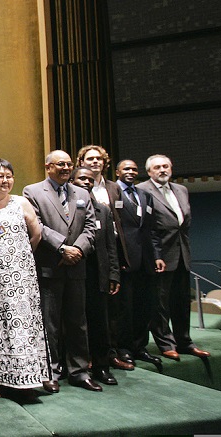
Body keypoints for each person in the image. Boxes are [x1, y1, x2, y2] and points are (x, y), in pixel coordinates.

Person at [23, 150, 98, 393]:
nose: (66, 168)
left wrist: (77, 249)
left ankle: (79, 371)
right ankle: (50, 371)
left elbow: (90, 227)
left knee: (78, 323)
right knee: (50, 324)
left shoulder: (83, 193)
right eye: (60, 164)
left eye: (68, 164)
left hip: (77, 267)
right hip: (49, 267)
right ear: (48, 167)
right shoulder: (33, 191)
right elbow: (37, 226)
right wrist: (62, 248)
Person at [0, 159, 50, 398]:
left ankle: (28, 380)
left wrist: (18, 260)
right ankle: (1, 381)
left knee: (24, 325)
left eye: (9, 176)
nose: (5, 180)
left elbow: (36, 235)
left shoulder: (22, 203)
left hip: (22, 278)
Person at [136, 155, 209, 360]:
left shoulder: (181, 190)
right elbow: (146, 228)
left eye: (165, 166)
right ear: (149, 172)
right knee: (160, 303)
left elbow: (184, 224)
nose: (162, 170)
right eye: (157, 167)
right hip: (159, 256)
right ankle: (166, 344)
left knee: (182, 301)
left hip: (182, 254)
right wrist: (156, 254)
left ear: (171, 168)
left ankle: (184, 342)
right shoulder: (142, 190)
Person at [76, 145, 133, 371]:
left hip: (105, 256)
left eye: (99, 159)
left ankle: (109, 354)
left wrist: (114, 268)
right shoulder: (71, 195)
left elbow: (114, 231)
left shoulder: (111, 191)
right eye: (90, 159)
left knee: (109, 311)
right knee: (83, 314)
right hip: (80, 260)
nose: (95, 162)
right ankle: (84, 356)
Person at [111, 159, 163, 370]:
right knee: (125, 307)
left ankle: (140, 347)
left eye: (134, 169)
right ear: (117, 172)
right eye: (126, 169)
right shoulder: (114, 193)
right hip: (125, 260)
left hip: (146, 261)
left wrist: (157, 255)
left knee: (145, 305)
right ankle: (124, 348)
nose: (131, 172)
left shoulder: (145, 196)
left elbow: (151, 230)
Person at [70, 167, 120, 385]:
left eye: (90, 179)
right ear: (72, 181)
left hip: (97, 275)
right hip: (72, 272)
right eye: (81, 178)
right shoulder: (67, 209)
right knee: (72, 324)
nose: (86, 182)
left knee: (100, 324)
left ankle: (101, 367)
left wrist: (114, 274)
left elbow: (111, 246)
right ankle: (75, 365)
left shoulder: (103, 210)